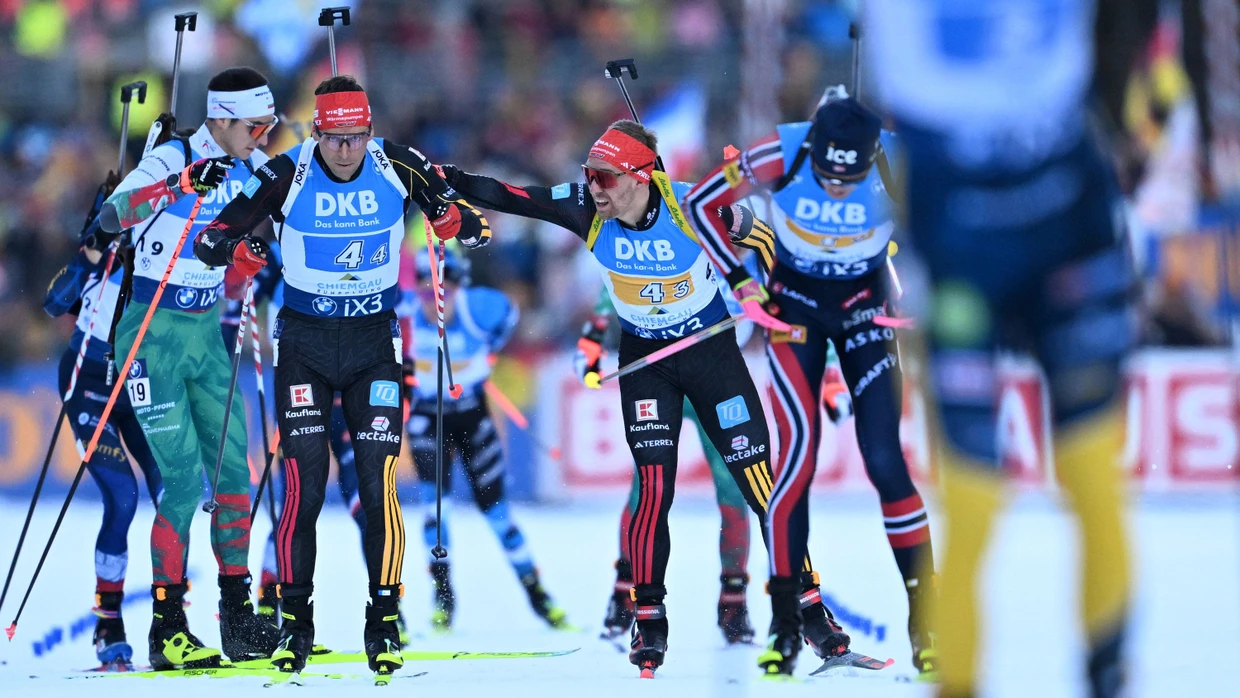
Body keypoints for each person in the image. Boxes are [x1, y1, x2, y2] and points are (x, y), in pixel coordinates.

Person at [437, 120, 860, 677]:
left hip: (712, 358)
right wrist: (437, 178)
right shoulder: (587, 209)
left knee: (761, 486)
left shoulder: (693, 207)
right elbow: (511, 196)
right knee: (652, 489)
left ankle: (809, 611)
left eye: (606, 177)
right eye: (590, 175)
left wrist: (778, 292)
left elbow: (763, 240)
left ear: (643, 177)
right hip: (646, 364)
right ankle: (649, 616)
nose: (593, 186)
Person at [865, 2, 1138, 697]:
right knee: (975, 499)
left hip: (1068, 223)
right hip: (960, 243)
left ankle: (1108, 678)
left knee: (1093, 477)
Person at [195, 74, 489, 678]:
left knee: (380, 487)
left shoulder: (397, 164)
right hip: (303, 348)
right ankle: (294, 624)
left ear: (369, 132)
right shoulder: (285, 172)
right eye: (335, 139)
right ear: (319, 133)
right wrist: (236, 250)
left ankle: (383, 621)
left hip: (373, 347)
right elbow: (212, 237)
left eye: (357, 137)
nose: (347, 150)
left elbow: (455, 209)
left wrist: (461, 225)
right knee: (303, 489)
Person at [683, 91, 937, 675]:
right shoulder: (782, 151)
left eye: (852, 177)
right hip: (794, 312)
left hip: (867, 314)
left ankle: (926, 617)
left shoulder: (899, 158)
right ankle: (786, 626)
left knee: (885, 462)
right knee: (796, 461)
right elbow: (701, 205)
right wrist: (742, 279)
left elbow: (948, 221)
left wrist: (923, 283)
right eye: (827, 175)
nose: (840, 188)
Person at [98, 66, 281, 670]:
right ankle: (166, 629)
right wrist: (179, 180)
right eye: (254, 125)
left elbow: (258, 247)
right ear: (222, 120)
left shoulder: (254, 167)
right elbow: (113, 215)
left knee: (234, 477)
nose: (262, 135)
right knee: (180, 484)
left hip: (206, 334)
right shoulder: (175, 153)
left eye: (269, 125)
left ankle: (237, 620)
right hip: (151, 334)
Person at [580, 273, 758, 646]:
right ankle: (624, 591)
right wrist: (593, 336)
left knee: (733, 490)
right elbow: (619, 281)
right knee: (647, 491)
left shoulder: (748, 262)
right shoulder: (677, 247)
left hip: (717, 385)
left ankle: (734, 601)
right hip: (661, 380)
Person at [401, 245, 570, 632]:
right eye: (427, 291)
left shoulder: (478, 308)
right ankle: (443, 598)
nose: (434, 300)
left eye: (444, 290)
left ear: (460, 287)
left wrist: (489, 350)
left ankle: (539, 596)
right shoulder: (408, 312)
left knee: (497, 514)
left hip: (473, 416)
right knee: (434, 509)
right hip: (429, 416)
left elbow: (511, 314)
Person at [43, 239, 163, 670]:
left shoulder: (172, 241)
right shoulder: (106, 241)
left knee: (174, 493)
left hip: (139, 381)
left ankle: (171, 622)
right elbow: (54, 303)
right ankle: (108, 624)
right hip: (89, 383)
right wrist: (90, 255)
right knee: (123, 496)